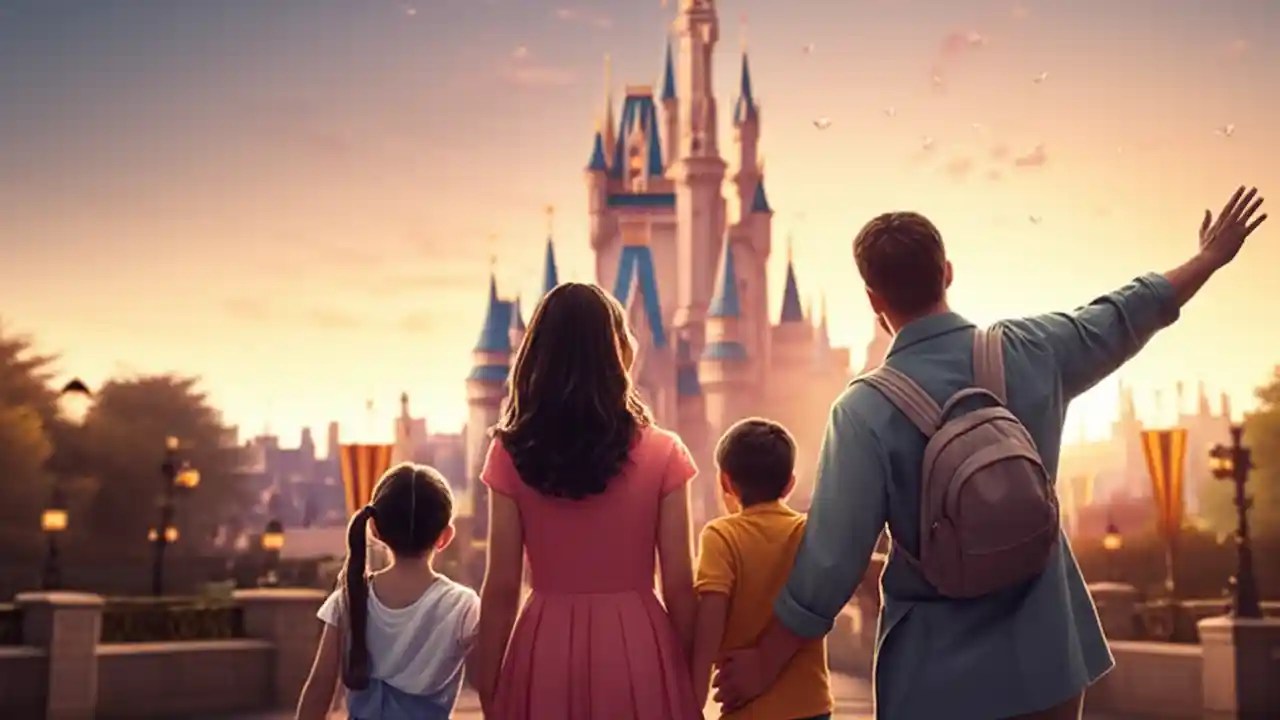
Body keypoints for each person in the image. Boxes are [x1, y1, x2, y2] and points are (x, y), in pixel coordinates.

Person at [713, 187, 1268, 719]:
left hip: (936, 675)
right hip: (1047, 656)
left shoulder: (863, 411)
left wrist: (765, 660)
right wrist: (1207, 259)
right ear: (947, 273)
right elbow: (1121, 316)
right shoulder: (1028, 349)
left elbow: (832, 564)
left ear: (874, 300)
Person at [471, 282, 702, 720]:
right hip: (640, 652)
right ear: (620, 354)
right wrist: (689, 680)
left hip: (545, 650)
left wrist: (489, 688)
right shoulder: (665, 453)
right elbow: (679, 586)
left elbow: (501, 586)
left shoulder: (510, 453)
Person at [296, 463, 480, 720]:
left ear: (375, 529)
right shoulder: (463, 606)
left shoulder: (348, 599)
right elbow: (488, 683)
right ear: (445, 536)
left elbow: (319, 690)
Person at [691, 418, 832, 720]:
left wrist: (694, 695)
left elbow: (710, 618)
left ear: (725, 482)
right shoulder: (807, 531)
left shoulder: (721, 536)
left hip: (749, 709)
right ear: (790, 483)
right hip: (812, 705)